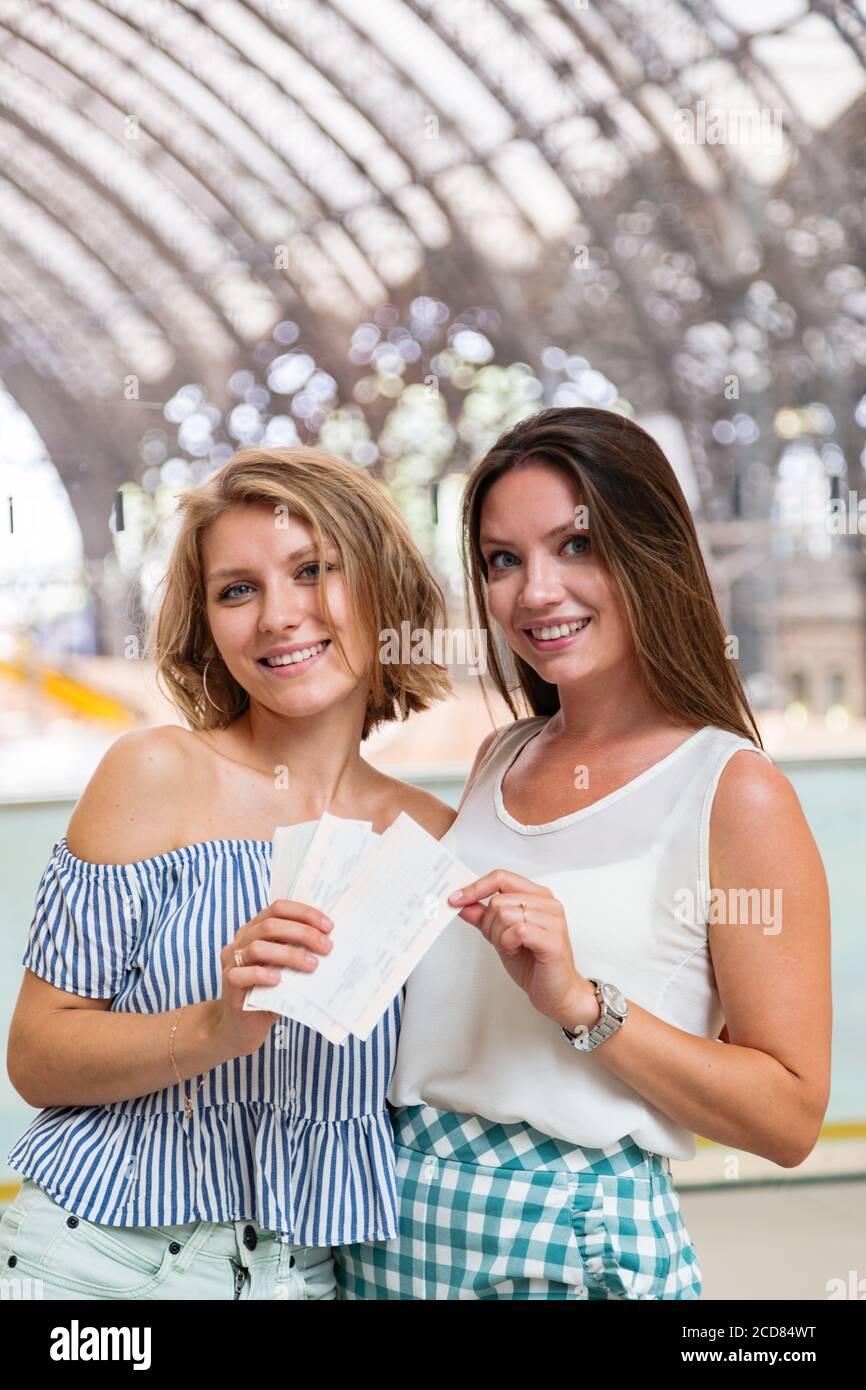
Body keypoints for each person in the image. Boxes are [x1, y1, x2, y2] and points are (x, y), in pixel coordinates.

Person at [335, 405, 832, 1300]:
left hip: (569, 1246)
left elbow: (791, 1117)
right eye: (503, 560)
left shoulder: (733, 791)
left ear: (653, 552)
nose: (536, 593)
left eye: (576, 546)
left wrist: (582, 1004)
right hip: (398, 1233)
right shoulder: (501, 760)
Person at [1, 445, 454, 1300]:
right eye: (237, 589)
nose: (280, 616)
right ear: (208, 624)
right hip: (97, 1263)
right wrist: (217, 1026)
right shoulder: (154, 774)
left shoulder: (430, 837)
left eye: (314, 570)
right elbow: (36, 1055)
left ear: (384, 587)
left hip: (300, 1278)